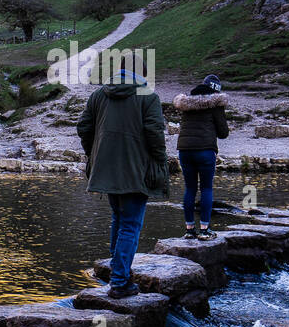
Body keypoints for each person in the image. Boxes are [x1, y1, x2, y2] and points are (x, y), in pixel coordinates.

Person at [77, 69, 170, 299]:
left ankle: (121, 275)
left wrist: (95, 152)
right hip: (136, 169)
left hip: (106, 169)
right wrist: (159, 160)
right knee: (130, 224)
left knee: (118, 219)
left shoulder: (99, 95)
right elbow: (155, 132)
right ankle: (119, 282)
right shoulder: (148, 96)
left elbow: (83, 127)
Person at [172, 73, 229, 239]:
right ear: (216, 91)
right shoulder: (216, 105)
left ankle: (189, 229)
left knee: (190, 188)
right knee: (206, 188)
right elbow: (223, 133)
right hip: (205, 150)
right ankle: (204, 229)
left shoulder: (187, 102)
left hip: (185, 150)